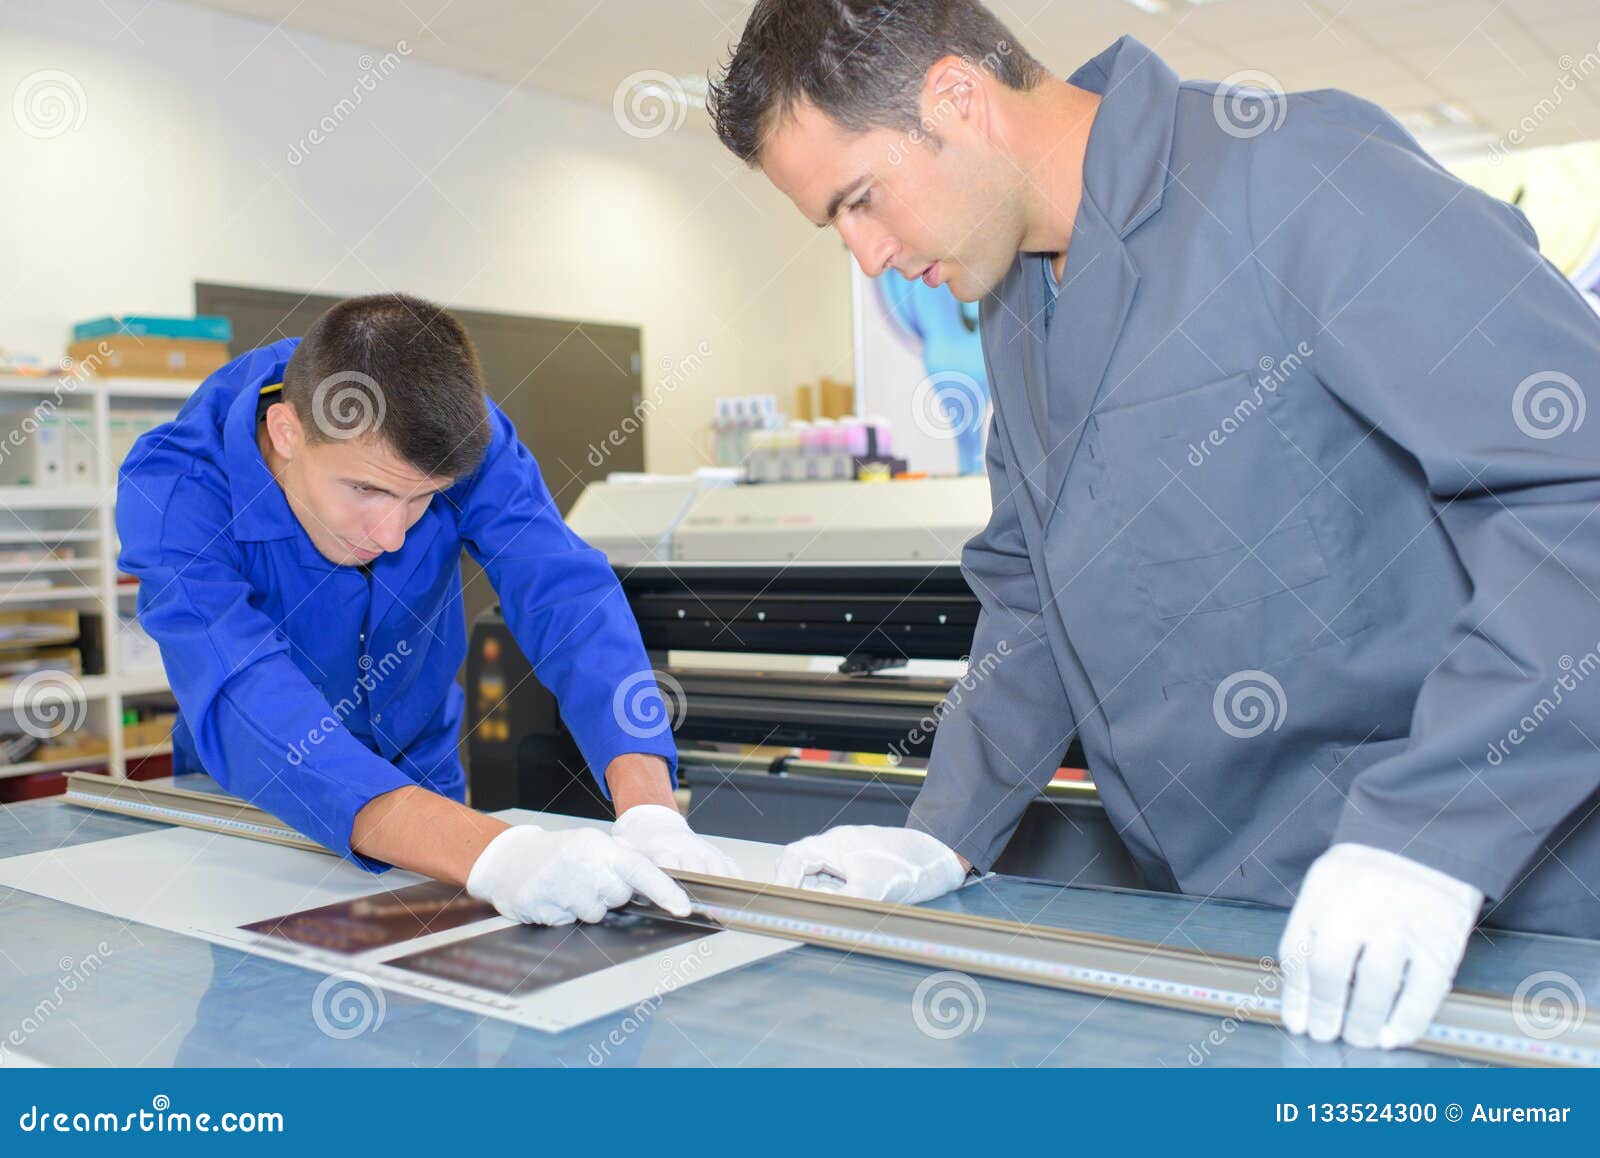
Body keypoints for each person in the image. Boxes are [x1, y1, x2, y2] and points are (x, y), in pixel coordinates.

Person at [709, 0, 1600, 1050]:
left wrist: (1435, 829)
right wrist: (939, 832)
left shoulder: (1301, 178)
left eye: (861, 201)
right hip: (1231, 923)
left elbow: (1572, 494)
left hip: (1484, 922)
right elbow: (1032, 597)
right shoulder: (1016, 300)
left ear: (955, 97)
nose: (866, 256)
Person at [117, 293, 737, 927]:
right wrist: (493, 851)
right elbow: (245, 693)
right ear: (286, 432)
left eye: (422, 502)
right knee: (266, 1006)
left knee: (442, 1005)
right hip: (261, 800)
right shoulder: (176, 493)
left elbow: (563, 591)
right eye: (366, 489)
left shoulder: (455, 432)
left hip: (426, 782)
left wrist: (648, 807)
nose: (392, 535)